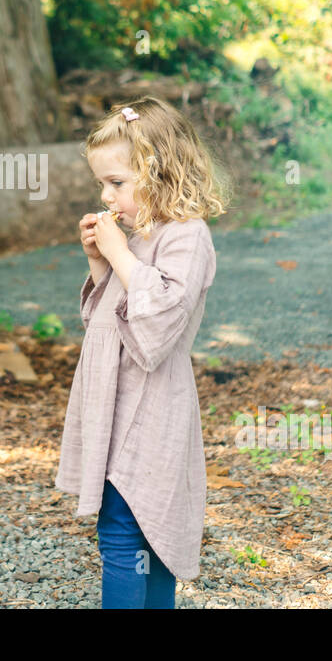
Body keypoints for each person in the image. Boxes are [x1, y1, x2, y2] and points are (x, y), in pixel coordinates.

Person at [55, 96, 231, 608]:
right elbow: (104, 323)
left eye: (117, 183)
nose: (107, 196)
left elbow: (162, 318)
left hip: (151, 409)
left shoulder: (187, 236)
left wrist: (118, 253)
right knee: (129, 527)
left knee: (131, 531)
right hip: (115, 406)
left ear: (160, 172)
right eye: (102, 185)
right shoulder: (139, 235)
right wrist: (99, 263)